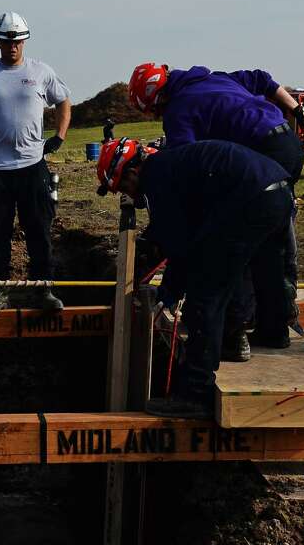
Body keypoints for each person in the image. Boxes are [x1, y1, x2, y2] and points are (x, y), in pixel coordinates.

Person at [127, 62, 304, 359]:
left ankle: (236, 328)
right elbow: (263, 79)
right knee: (271, 239)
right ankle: (276, 324)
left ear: (157, 98)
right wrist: (296, 110)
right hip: (289, 145)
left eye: (153, 111)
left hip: (261, 159)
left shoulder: (178, 111)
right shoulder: (215, 79)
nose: (157, 116)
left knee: (235, 244)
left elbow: (184, 173)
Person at [95, 138, 293, 416]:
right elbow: (189, 234)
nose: (129, 196)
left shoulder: (156, 180)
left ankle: (195, 393)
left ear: (131, 172)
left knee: (205, 294)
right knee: (251, 275)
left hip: (250, 199)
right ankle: (268, 335)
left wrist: (169, 294)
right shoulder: (173, 165)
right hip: (278, 190)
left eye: (123, 187)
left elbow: (180, 247)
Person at [0, 12, 71, 313]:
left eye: (17, 41)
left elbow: (63, 100)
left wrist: (59, 135)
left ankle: (43, 289)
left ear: (24, 41)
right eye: (7, 41)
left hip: (33, 167)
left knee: (39, 229)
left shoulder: (42, 72)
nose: (12, 47)